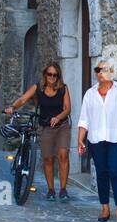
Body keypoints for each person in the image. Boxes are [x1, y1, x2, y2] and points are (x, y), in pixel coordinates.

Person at [76, 58, 117, 222]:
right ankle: (104, 208)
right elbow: (84, 120)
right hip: (96, 140)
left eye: (104, 69)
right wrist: (80, 139)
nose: (100, 73)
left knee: (115, 171)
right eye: (98, 70)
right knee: (102, 173)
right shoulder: (90, 94)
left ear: (111, 73)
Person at [5, 61, 72, 201]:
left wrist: (58, 117)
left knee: (63, 154)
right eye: (50, 74)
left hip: (62, 126)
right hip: (45, 126)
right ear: (45, 75)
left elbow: (67, 108)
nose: (52, 77)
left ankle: (63, 190)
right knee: (48, 159)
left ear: (58, 76)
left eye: (55, 75)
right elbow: (23, 99)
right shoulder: (38, 88)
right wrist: (13, 107)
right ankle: (51, 190)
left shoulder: (63, 89)